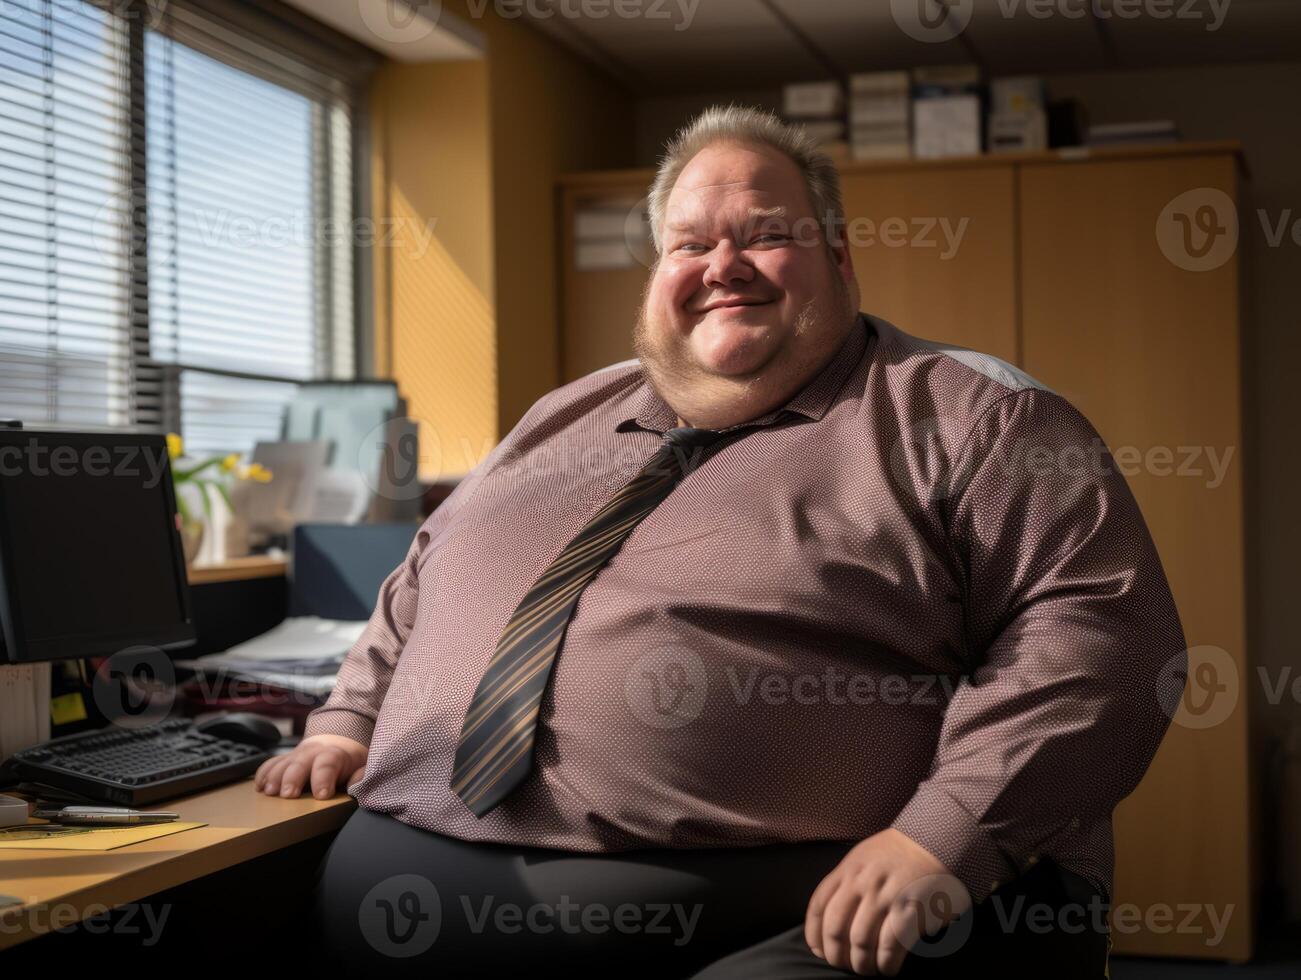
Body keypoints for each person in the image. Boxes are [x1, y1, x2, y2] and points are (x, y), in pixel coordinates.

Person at [254, 105, 1186, 977]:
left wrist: (943, 831)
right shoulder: (558, 417)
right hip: (393, 889)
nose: (723, 265)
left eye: (767, 235)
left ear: (840, 256)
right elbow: (425, 577)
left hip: (784, 911)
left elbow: (1097, 637)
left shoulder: (971, 416)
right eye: (690, 243)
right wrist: (347, 719)